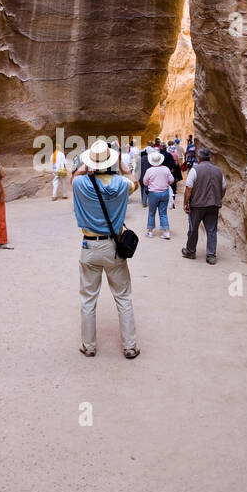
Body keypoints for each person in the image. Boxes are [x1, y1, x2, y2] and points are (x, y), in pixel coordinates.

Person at [72, 137, 140, 359]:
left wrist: (88, 164)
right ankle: (130, 346)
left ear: (91, 162)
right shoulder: (121, 185)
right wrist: (120, 162)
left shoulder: (80, 184)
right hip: (114, 247)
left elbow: (75, 176)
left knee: (88, 299)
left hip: (89, 246)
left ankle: (89, 346)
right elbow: (134, 182)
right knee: (123, 297)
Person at [181, 147, 227, 264]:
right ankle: (211, 256)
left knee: (193, 229)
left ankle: (190, 251)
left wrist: (186, 203)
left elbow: (189, 188)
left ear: (199, 157)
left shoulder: (195, 170)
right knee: (211, 230)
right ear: (209, 157)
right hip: (213, 205)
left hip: (197, 205)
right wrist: (219, 198)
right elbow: (224, 187)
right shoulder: (218, 170)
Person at [142, 147, 174, 238]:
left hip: (153, 193)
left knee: (151, 213)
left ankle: (150, 232)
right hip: (164, 193)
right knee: (163, 213)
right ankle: (166, 232)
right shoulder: (166, 169)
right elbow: (171, 180)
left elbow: (145, 182)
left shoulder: (149, 170)